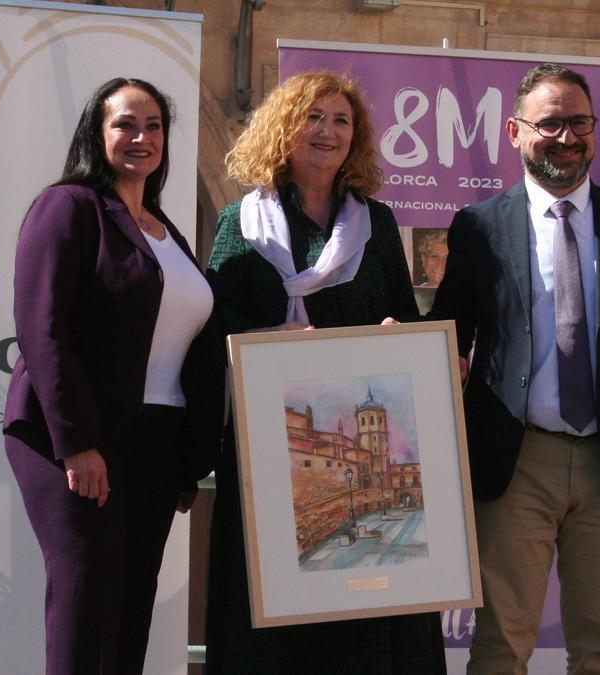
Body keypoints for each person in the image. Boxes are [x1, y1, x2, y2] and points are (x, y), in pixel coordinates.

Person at [430, 64, 600, 674]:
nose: (567, 136)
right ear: (514, 132)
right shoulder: (479, 227)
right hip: (515, 460)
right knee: (501, 646)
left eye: (580, 121)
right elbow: (451, 339)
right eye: (550, 122)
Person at [204, 70, 445, 674]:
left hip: (335, 433)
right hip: (265, 452)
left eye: (341, 120)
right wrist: (265, 339)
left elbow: (397, 311)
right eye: (314, 117)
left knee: (364, 634)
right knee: (269, 626)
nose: (328, 131)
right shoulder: (241, 222)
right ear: (285, 128)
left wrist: (397, 334)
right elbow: (212, 325)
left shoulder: (377, 225)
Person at [2, 77, 223, 675]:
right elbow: (42, 327)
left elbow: (194, 331)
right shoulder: (68, 205)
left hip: (156, 443)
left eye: (153, 126)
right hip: (78, 437)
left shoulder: (164, 228)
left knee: (130, 612)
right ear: (96, 134)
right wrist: (77, 443)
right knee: (86, 601)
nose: (141, 137)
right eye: (125, 123)